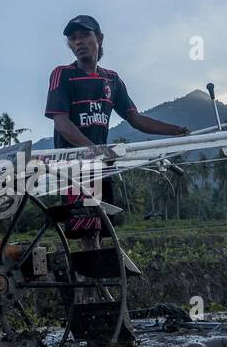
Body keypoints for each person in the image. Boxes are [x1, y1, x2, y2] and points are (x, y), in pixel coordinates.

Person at [44, 15, 189, 235]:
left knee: (103, 229)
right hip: (75, 164)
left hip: (101, 163)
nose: (78, 42)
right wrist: (96, 151)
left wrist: (176, 131)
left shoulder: (111, 80)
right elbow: (62, 123)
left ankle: (101, 267)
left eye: (84, 35)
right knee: (86, 231)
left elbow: (136, 118)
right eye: (73, 39)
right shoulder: (63, 74)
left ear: (99, 38)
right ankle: (83, 269)